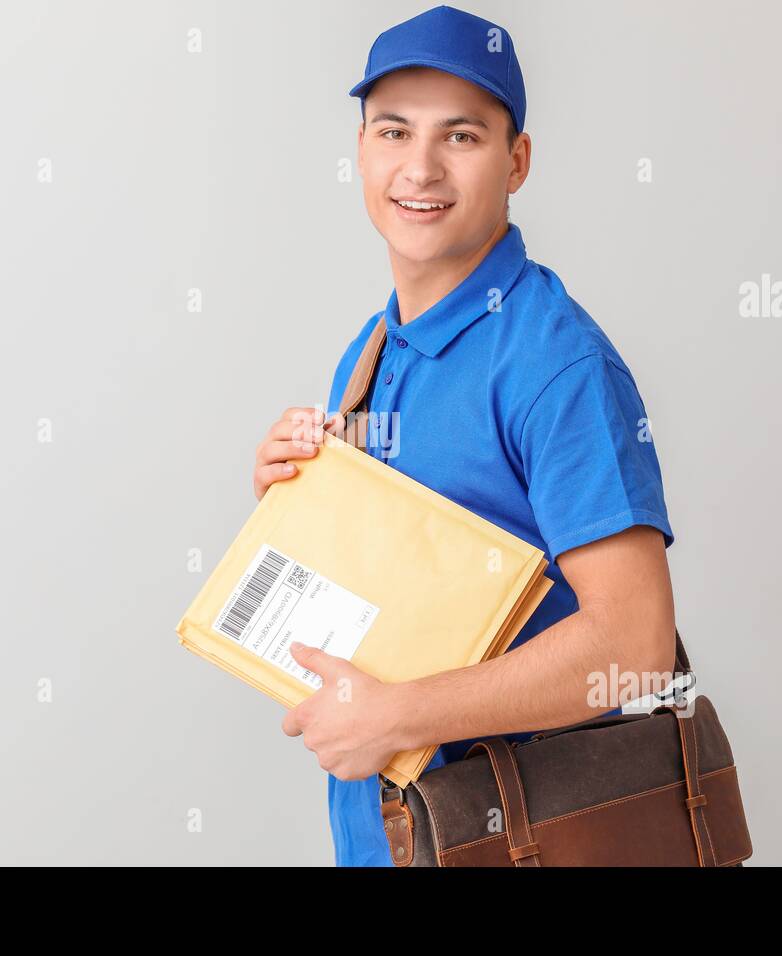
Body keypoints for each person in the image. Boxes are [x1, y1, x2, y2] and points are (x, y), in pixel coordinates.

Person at [251, 4, 678, 866]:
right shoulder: (369, 355)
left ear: (517, 161)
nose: (420, 167)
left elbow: (635, 650)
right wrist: (292, 506)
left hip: (526, 841)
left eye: (463, 137)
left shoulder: (556, 365)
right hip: (395, 839)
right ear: (360, 149)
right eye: (393, 131)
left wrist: (399, 717)